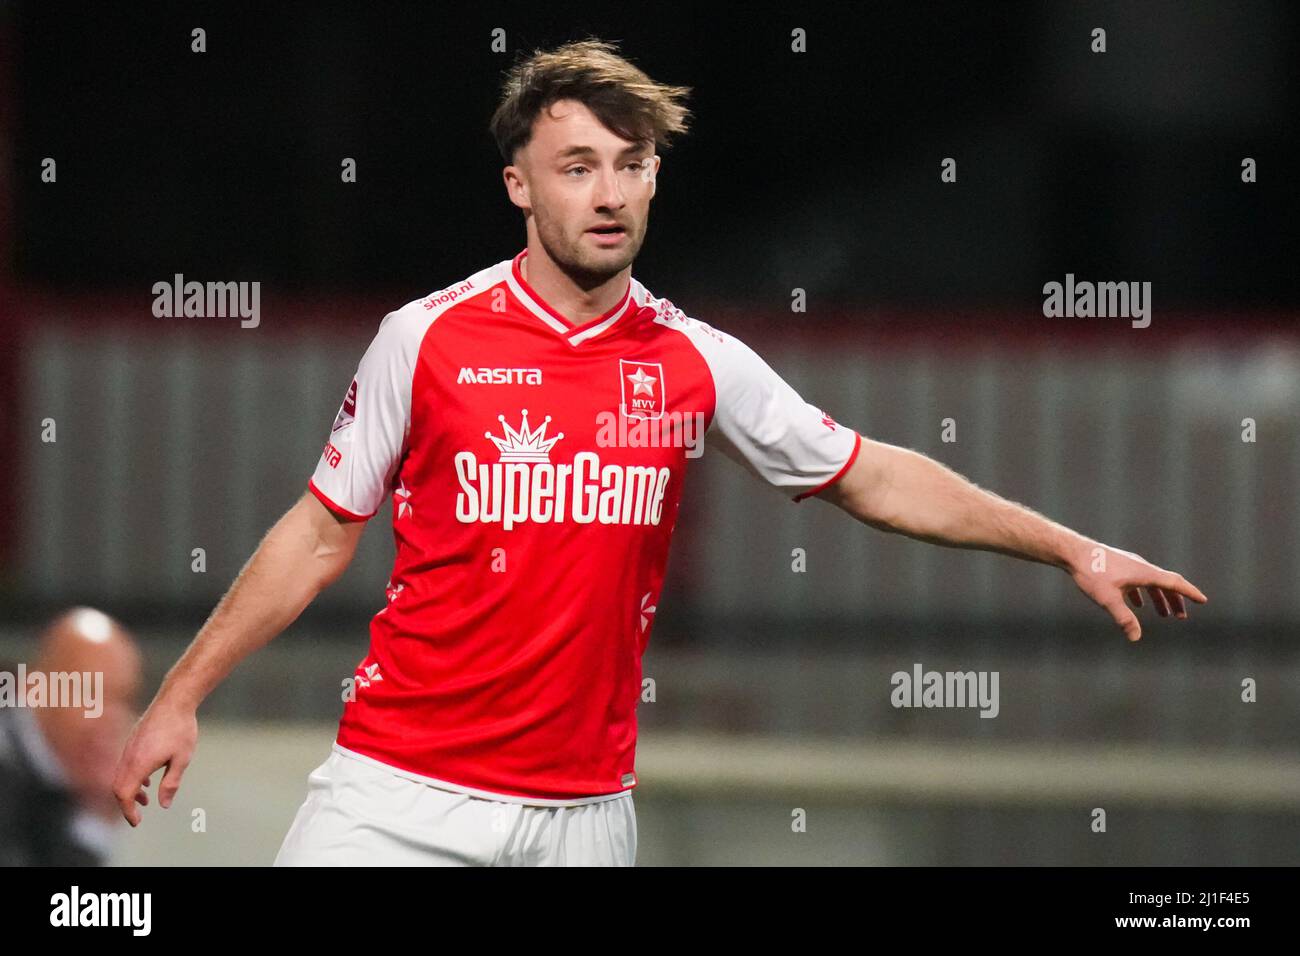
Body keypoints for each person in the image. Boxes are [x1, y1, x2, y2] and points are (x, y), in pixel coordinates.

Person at [112, 38, 1206, 867]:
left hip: (588, 818)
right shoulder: (427, 337)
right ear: (519, 186)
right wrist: (179, 695)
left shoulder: (696, 361)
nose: (608, 192)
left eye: (630, 165)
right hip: (396, 797)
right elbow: (317, 532)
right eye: (577, 165)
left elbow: (868, 473)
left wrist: (1073, 546)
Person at [1, 608, 141, 866]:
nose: (109, 718)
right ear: (35, 688)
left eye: (122, 699)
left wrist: (95, 812)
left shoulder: (54, 780)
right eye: (90, 692)